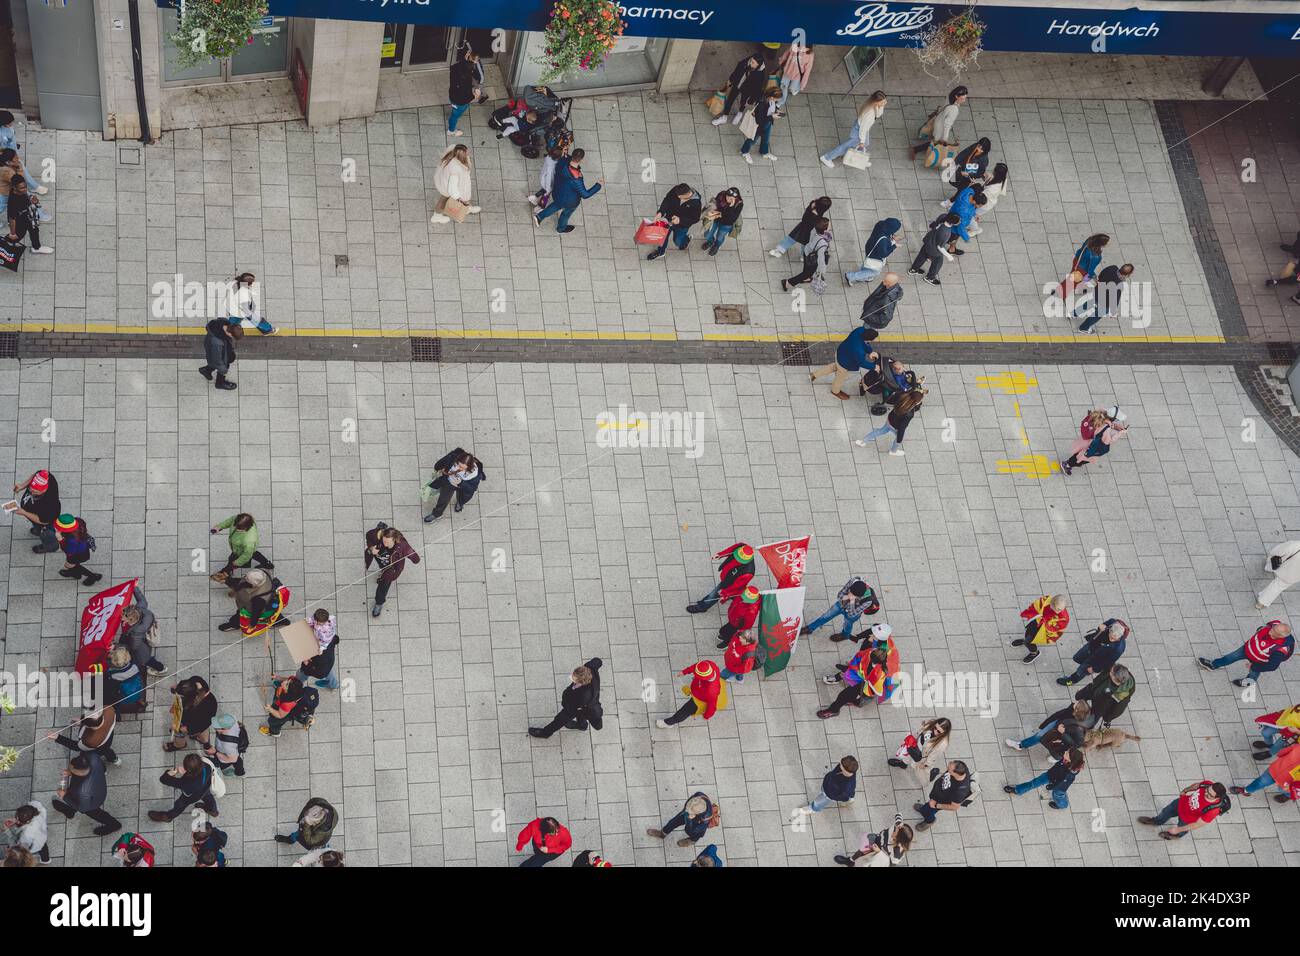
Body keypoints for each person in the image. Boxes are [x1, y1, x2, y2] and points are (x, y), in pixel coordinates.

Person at [1198, 621, 1294, 687]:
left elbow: (1272, 666)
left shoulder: (1280, 650)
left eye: (1274, 632)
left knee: (1253, 674)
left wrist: (1254, 667)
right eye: (1273, 628)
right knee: (1230, 657)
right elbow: (1263, 628)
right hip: (1246, 649)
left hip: (1257, 661)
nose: (1270, 630)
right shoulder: (1274, 625)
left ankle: (1248, 682)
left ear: (1281, 636)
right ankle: (1213, 665)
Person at [528, 658, 604, 738]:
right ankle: (582, 726)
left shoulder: (583, 696)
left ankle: (545, 733)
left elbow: (571, 708)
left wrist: (564, 704)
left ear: (581, 682)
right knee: (581, 715)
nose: (571, 677)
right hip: (584, 707)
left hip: (576, 707)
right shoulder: (590, 669)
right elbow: (597, 661)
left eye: (573, 678)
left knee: (559, 720)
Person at [534, 148, 602, 234]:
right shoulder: (577, 179)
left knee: (556, 205)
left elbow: (565, 159)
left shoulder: (563, 161)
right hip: (569, 201)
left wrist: (565, 155)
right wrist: (598, 185)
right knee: (566, 214)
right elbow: (585, 194)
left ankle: (539, 217)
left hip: (557, 192)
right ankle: (561, 229)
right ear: (581, 160)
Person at [51, 753, 120, 836]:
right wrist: (71, 773)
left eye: (71, 768)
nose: (68, 768)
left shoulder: (83, 792)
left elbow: (82, 808)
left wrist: (64, 796)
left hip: (92, 802)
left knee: (95, 813)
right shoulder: (93, 757)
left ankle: (114, 825)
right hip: (98, 786)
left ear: (77, 771)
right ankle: (70, 811)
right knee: (73, 795)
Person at [1137, 780, 1229, 840]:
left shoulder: (1213, 811)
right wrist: (1185, 790)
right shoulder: (1207, 784)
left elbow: (1198, 824)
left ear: (1217, 797)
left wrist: (1178, 829)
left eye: (1209, 794)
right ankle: (1156, 821)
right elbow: (1196, 786)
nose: (1205, 793)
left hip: (1187, 819)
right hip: (1179, 804)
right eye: (1207, 790)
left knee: (1182, 830)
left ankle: (1175, 835)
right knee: (1165, 812)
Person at [365, 523, 421, 617]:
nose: (385, 544)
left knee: (384, 585)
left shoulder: (403, 545)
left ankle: (379, 602)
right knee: (382, 567)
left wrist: (415, 559)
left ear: (394, 540)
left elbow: (414, 557)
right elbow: (368, 535)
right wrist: (371, 548)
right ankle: (381, 572)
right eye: (384, 541)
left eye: (387, 542)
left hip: (392, 569)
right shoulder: (378, 535)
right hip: (381, 559)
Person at [820, 90, 886, 168]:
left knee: (865, 143)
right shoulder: (869, 113)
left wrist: (881, 106)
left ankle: (859, 158)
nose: (885, 103)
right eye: (883, 102)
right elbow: (863, 129)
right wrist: (861, 141)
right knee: (846, 146)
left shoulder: (873, 105)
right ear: (876, 101)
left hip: (861, 128)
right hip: (860, 131)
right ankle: (826, 158)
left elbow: (878, 115)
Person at [811, 325, 878, 401]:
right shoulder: (858, 351)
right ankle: (835, 391)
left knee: (834, 366)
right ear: (869, 339)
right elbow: (861, 362)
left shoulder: (859, 330)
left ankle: (814, 375)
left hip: (840, 352)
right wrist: (874, 367)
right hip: (844, 363)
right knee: (841, 377)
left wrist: (870, 351)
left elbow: (864, 343)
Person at [801, 576, 880, 640]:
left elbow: (852, 613)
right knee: (825, 616)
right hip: (841, 605)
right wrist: (847, 597)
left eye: (853, 594)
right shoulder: (854, 581)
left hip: (852, 613)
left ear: (859, 596)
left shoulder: (868, 600)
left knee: (847, 625)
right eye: (850, 592)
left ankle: (845, 635)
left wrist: (851, 601)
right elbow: (840, 595)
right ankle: (810, 628)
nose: (850, 594)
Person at [686, 542, 755, 614]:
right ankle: (732, 596)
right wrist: (720, 554)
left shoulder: (748, 573)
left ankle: (702, 607)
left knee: (713, 595)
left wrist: (724, 593)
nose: (737, 559)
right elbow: (731, 550)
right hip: (727, 577)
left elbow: (736, 586)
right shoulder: (741, 546)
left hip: (728, 584)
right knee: (732, 593)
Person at [855, 387, 926, 456]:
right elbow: (902, 427)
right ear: (915, 402)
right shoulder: (909, 414)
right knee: (897, 440)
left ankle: (863, 441)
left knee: (881, 430)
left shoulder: (902, 397)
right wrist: (899, 439)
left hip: (890, 420)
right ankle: (893, 451)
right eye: (919, 401)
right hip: (896, 427)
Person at [1005, 700, 1090, 758]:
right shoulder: (1072, 709)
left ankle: (1020, 745)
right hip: (1057, 723)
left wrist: (1063, 733)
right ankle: (1021, 745)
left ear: (1077, 710)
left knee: (1039, 736)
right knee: (1040, 736)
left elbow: (1075, 744)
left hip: (1058, 731)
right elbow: (1060, 714)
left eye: (1077, 703)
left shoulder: (1078, 728)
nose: (1075, 701)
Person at [1004, 749, 1083, 810]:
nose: (1065, 752)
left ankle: (1062, 805)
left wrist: (1051, 786)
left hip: (1059, 786)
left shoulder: (1069, 774)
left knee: (1057, 795)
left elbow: (1060, 782)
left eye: (1067, 753)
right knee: (1034, 783)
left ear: (1070, 759)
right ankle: (1017, 790)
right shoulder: (1066, 760)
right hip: (1050, 775)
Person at [656, 660, 728, 727]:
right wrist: (685, 672)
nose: (694, 675)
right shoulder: (710, 665)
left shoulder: (711, 692)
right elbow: (696, 666)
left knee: (684, 711)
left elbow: (712, 706)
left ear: (703, 678)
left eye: (697, 675)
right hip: (698, 691)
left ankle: (669, 723)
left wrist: (707, 716)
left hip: (698, 700)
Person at [1058, 618, 1128, 686]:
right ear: (1110, 630)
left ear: (1119, 637)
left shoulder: (1118, 649)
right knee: (1077, 658)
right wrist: (1101, 626)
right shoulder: (1112, 622)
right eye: (1110, 636)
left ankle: (1071, 681)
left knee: (1081, 671)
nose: (1111, 639)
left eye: (1114, 638)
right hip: (1091, 647)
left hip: (1095, 660)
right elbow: (1103, 626)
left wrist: (1094, 669)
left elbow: (1107, 662)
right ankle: (1084, 670)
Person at [218, 567, 288, 634]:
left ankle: (234, 624)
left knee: (239, 615)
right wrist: (227, 580)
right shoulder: (262, 573)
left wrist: (252, 624)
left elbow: (256, 613)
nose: (245, 578)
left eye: (247, 579)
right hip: (269, 600)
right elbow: (243, 582)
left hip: (250, 607)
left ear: (253, 584)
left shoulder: (259, 599)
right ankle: (282, 621)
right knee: (272, 613)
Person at [888, 717, 953, 788]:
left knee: (921, 772)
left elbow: (933, 756)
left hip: (923, 756)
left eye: (939, 731)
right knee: (908, 755)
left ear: (944, 733)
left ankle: (929, 777)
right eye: (935, 728)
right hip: (916, 745)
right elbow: (921, 730)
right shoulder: (931, 723)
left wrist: (926, 764)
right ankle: (903, 764)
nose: (935, 731)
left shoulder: (942, 744)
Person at [1061, 407, 1128, 475]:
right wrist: (1120, 434)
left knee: (1079, 454)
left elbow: (1108, 424)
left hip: (1087, 440)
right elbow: (1108, 441)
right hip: (1091, 445)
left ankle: (1069, 462)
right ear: (1113, 419)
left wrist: (1117, 427)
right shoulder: (1106, 429)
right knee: (1082, 458)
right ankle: (1067, 465)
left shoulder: (1101, 415)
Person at [424, 448, 485, 522]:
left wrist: (461, 483)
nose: (459, 468)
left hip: (461, 486)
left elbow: (471, 488)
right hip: (449, 482)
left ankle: (460, 502)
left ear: (469, 467)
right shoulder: (453, 457)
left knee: (462, 497)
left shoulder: (475, 474)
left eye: (463, 468)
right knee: (443, 499)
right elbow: (441, 463)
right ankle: (437, 514)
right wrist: (440, 468)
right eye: (459, 465)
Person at [210, 512, 273, 582]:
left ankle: (225, 571)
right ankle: (267, 564)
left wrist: (237, 563)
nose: (235, 529)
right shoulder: (240, 520)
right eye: (235, 526)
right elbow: (230, 520)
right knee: (254, 554)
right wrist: (219, 527)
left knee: (232, 560)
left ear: (246, 528)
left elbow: (246, 556)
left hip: (240, 550)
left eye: (238, 529)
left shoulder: (249, 540)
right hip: (243, 548)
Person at [913, 760, 973, 832]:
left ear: (955, 773)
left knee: (929, 812)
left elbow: (954, 807)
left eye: (949, 769)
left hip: (940, 801)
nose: (947, 767)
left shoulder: (960, 791)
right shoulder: (963, 768)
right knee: (927, 806)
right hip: (936, 795)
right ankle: (924, 809)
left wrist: (936, 805)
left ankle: (929, 820)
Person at [1231, 741, 1300, 804]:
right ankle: (1287, 795)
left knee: (1261, 781)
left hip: (1279, 771)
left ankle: (1246, 791)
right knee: (1278, 787)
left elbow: (1281, 753)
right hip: (1284, 777)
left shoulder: (1298, 746)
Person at [834, 812, 912, 867]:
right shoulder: (899, 826)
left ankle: (855, 864)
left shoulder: (897, 853)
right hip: (876, 841)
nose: (895, 829)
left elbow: (888, 864)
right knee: (861, 850)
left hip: (879, 854)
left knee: (865, 862)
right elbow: (898, 819)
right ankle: (850, 861)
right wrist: (898, 816)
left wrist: (878, 852)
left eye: (896, 831)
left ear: (898, 838)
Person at [647, 182, 702, 260]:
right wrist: (660, 212)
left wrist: (680, 220)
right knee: (662, 236)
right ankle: (660, 252)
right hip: (668, 219)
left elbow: (695, 218)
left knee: (677, 242)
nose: (679, 198)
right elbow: (667, 200)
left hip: (681, 225)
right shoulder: (676, 190)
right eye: (678, 197)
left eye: (681, 198)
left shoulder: (696, 203)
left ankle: (686, 240)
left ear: (688, 194)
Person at [909, 85, 967, 159]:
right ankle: (916, 149)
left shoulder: (950, 97)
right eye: (962, 98)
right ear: (956, 96)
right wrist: (945, 138)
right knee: (937, 142)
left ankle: (917, 149)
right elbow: (947, 125)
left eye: (965, 98)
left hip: (938, 119)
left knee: (936, 140)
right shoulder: (954, 109)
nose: (964, 100)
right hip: (941, 127)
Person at [49, 706, 119, 766]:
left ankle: (102, 770)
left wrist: (58, 738)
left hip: (95, 748)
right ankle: (115, 759)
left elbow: (77, 747)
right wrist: (82, 721)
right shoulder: (109, 709)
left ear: (88, 726)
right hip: (109, 738)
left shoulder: (89, 740)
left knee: (92, 759)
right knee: (107, 750)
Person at [1075, 263, 1135, 334]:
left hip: (1097, 291)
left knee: (1091, 303)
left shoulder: (1113, 267)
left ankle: (1074, 314)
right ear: (1127, 275)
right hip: (1104, 302)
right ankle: (1083, 328)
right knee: (1097, 315)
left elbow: (1101, 275)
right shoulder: (1119, 284)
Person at [430, 144, 481, 224]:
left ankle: (466, 208)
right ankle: (436, 216)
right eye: (466, 153)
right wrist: (458, 199)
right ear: (461, 156)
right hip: (447, 188)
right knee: (443, 200)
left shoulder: (452, 152)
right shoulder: (456, 170)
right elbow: (452, 189)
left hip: (444, 181)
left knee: (458, 199)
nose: (469, 152)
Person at [1074, 664, 1135, 730]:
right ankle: (1077, 711)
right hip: (1094, 689)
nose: (1110, 670)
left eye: (1111, 672)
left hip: (1101, 704)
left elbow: (1118, 708)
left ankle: (1083, 729)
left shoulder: (1122, 694)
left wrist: (1108, 718)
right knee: (1078, 696)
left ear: (1114, 677)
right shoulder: (1118, 670)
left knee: (1092, 719)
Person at [1012, 594, 1070, 663]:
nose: (1057, 611)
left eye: (1060, 609)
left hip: (1043, 630)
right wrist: (1029, 613)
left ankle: (1034, 653)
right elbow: (1037, 605)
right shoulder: (1046, 600)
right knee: (1028, 632)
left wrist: (1047, 623)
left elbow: (1057, 629)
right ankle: (1025, 640)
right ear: (1051, 602)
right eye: (1056, 609)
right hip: (1037, 622)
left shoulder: (1063, 618)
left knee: (1029, 641)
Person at [119, 588, 165, 675]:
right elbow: (141, 599)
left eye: (123, 618)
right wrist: (134, 588)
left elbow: (134, 647)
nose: (121, 618)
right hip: (141, 640)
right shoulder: (140, 609)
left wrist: (120, 647)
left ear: (131, 619)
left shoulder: (136, 632)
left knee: (147, 660)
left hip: (142, 651)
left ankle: (161, 669)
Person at [166, 676, 218, 752]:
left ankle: (179, 745)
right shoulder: (197, 683)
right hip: (202, 721)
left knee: (179, 733)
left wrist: (185, 729)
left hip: (193, 723)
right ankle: (202, 740)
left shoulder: (203, 709)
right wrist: (177, 688)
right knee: (202, 730)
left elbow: (199, 724)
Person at [712, 53, 766, 127]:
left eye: (753, 63)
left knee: (743, 101)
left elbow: (757, 87)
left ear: (758, 65)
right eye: (751, 60)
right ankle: (724, 117)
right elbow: (737, 71)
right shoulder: (746, 62)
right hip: (738, 84)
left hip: (748, 89)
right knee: (730, 99)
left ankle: (740, 113)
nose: (750, 63)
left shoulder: (760, 74)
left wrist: (752, 99)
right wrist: (731, 80)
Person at [13, 469, 60, 553]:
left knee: (47, 534)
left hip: (45, 523)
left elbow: (43, 521)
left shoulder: (49, 505)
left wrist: (24, 512)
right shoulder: (46, 477)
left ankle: (51, 546)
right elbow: (36, 474)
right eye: (31, 488)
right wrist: (22, 485)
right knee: (37, 527)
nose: (31, 492)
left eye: (36, 491)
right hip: (37, 515)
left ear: (44, 490)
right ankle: (37, 530)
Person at [846, 218, 902, 286]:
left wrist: (892, 237)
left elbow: (884, 234)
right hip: (875, 255)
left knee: (868, 264)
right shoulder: (883, 241)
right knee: (874, 272)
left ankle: (865, 275)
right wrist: (894, 246)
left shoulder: (880, 224)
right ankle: (851, 276)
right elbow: (884, 254)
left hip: (870, 247)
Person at [781, 217, 831, 292]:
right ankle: (787, 282)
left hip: (807, 251)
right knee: (806, 273)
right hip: (813, 258)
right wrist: (822, 271)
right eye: (829, 225)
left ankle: (807, 278)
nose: (831, 225)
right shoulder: (822, 243)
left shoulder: (815, 230)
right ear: (825, 230)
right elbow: (820, 258)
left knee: (807, 270)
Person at [0, 111, 46, 193]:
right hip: (8, 155)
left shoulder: (7, 127)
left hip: (13, 152)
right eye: (9, 123)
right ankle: (34, 186)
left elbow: (12, 136)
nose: (12, 124)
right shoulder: (1, 133)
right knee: (21, 169)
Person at [908, 213, 959, 285]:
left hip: (928, 241)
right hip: (934, 250)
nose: (959, 222)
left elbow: (933, 225)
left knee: (922, 256)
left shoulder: (942, 216)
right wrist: (948, 256)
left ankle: (913, 269)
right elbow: (939, 247)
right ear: (952, 223)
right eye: (958, 221)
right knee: (938, 263)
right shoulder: (945, 233)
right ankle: (930, 278)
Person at [647, 792, 714, 847]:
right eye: (689, 807)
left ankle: (691, 841)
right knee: (673, 822)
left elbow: (689, 830)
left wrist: (689, 820)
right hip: (691, 816)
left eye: (690, 810)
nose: (688, 811)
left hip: (696, 825)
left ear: (698, 813)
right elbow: (689, 801)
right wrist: (686, 810)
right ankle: (662, 833)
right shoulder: (699, 795)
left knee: (695, 835)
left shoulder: (705, 820)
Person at [1056, 233, 1109, 302]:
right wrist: (1092, 277)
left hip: (1077, 262)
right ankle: (1062, 293)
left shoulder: (1090, 240)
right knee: (1073, 282)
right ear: (1102, 244)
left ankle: (1062, 288)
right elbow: (1090, 269)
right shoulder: (1096, 256)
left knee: (1071, 279)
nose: (1108, 244)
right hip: (1082, 270)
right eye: (1107, 242)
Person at [446, 42, 484, 136]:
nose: (475, 63)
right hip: (459, 101)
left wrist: (464, 60)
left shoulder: (456, 68)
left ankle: (452, 117)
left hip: (453, 96)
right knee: (456, 115)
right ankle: (451, 130)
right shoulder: (466, 81)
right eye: (475, 61)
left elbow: (461, 66)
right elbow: (465, 97)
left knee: (456, 111)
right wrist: (475, 96)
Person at [297, 608, 340, 691]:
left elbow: (320, 673)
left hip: (319, 667)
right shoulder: (321, 620)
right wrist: (309, 621)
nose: (316, 623)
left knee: (301, 674)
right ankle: (334, 684)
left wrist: (306, 665)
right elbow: (313, 620)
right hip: (327, 664)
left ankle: (296, 685)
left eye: (318, 623)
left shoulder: (325, 636)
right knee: (329, 672)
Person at [274, 797, 339, 851]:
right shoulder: (320, 803)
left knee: (296, 835)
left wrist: (307, 824)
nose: (304, 818)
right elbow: (311, 802)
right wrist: (306, 818)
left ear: (316, 822)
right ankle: (290, 839)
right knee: (297, 834)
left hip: (315, 838)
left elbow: (310, 840)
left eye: (311, 821)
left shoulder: (323, 830)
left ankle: (289, 840)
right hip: (315, 833)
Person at [6, 178, 51, 253]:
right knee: (18, 235)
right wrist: (13, 233)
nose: (25, 189)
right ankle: (5, 244)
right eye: (22, 188)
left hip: (28, 217)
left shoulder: (20, 192)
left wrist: (34, 201)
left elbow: (27, 201)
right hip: (20, 221)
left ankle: (36, 248)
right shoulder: (13, 202)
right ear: (14, 187)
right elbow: (11, 219)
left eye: (25, 186)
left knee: (34, 230)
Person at [53, 513, 101, 585]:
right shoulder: (79, 522)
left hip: (77, 555)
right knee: (74, 565)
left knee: (68, 565)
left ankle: (92, 576)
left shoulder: (72, 541)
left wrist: (60, 539)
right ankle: (76, 574)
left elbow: (67, 551)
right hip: (83, 550)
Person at [198, 316, 242, 390]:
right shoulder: (217, 343)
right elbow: (217, 359)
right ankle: (220, 383)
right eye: (233, 337)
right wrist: (223, 369)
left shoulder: (223, 323)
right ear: (229, 333)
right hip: (218, 354)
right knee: (222, 366)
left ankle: (206, 370)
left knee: (214, 363)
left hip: (219, 349)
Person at [740, 88, 781, 165]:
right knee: (752, 140)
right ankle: (744, 152)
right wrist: (772, 117)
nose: (777, 100)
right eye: (777, 99)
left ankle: (764, 152)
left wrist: (776, 110)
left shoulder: (771, 101)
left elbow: (772, 107)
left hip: (768, 123)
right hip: (759, 125)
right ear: (772, 97)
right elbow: (759, 120)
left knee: (766, 139)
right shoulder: (762, 104)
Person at [944, 186, 987, 257]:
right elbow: (960, 228)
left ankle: (952, 249)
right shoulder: (964, 212)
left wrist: (974, 214)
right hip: (954, 228)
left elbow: (971, 207)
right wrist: (966, 238)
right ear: (975, 201)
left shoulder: (969, 192)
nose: (980, 207)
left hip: (952, 215)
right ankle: (932, 252)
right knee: (950, 239)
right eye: (980, 205)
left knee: (952, 239)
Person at [716, 584, 761, 648]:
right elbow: (734, 593)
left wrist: (741, 632)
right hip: (733, 619)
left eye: (746, 599)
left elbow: (748, 624)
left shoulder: (751, 611)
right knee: (724, 630)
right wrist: (725, 595)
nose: (743, 599)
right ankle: (724, 635)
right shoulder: (742, 594)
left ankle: (727, 643)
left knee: (730, 635)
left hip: (737, 625)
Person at [701, 187, 743, 256]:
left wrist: (731, 207)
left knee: (720, 237)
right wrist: (712, 212)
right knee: (707, 234)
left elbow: (732, 219)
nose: (728, 199)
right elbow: (716, 205)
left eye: (731, 198)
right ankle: (710, 241)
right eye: (727, 196)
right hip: (715, 219)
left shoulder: (739, 204)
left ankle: (716, 246)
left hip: (726, 224)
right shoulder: (721, 195)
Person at [1258, 541, 1300, 609]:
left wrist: (1272, 554)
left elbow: (1280, 550)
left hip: (1282, 565)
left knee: (1272, 564)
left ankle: (1268, 568)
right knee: (1277, 587)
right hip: (1293, 576)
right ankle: (1262, 602)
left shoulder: (1297, 545)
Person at [106, 646, 146, 714]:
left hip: (125, 697)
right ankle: (140, 702)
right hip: (137, 690)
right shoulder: (134, 666)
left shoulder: (113, 675)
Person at [776, 42, 814, 107]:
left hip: (794, 74)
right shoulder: (795, 46)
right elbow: (787, 54)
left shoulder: (809, 54)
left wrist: (802, 84)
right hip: (789, 72)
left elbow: (807, 71)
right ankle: (781, 102)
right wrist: (781, 60)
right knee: (784, 87)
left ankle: (794, 90)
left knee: (789, 87)